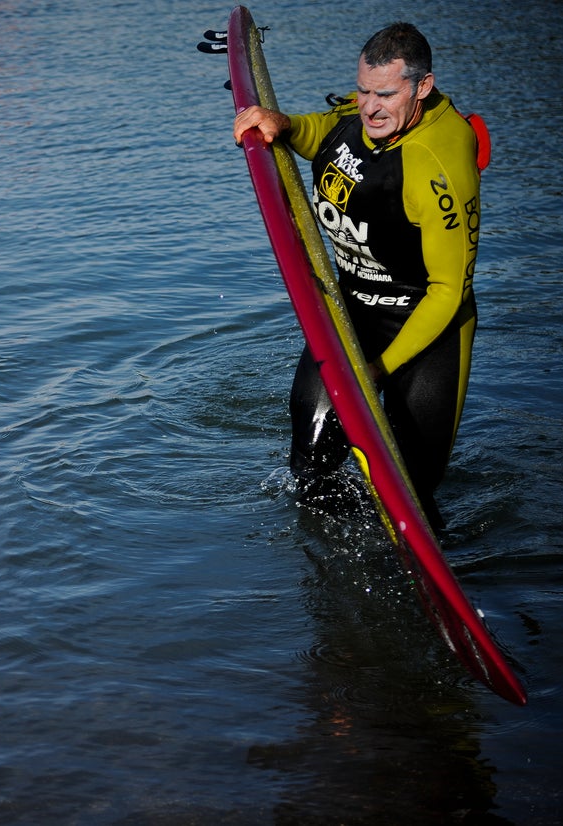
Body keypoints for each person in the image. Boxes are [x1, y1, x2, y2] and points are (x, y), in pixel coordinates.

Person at [232, 23, 482, 531]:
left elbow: (447, 292)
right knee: (310, 470)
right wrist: (281, 123)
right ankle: (338, 556)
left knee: (410, 496)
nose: (370, 107)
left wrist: (377, 371)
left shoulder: (439, 164)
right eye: (363, 90)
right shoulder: (361, 114)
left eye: (385, 95)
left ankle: (442, 567)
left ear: (423, 87)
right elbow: (323, 134)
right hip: (351, 316)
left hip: (427, 330)